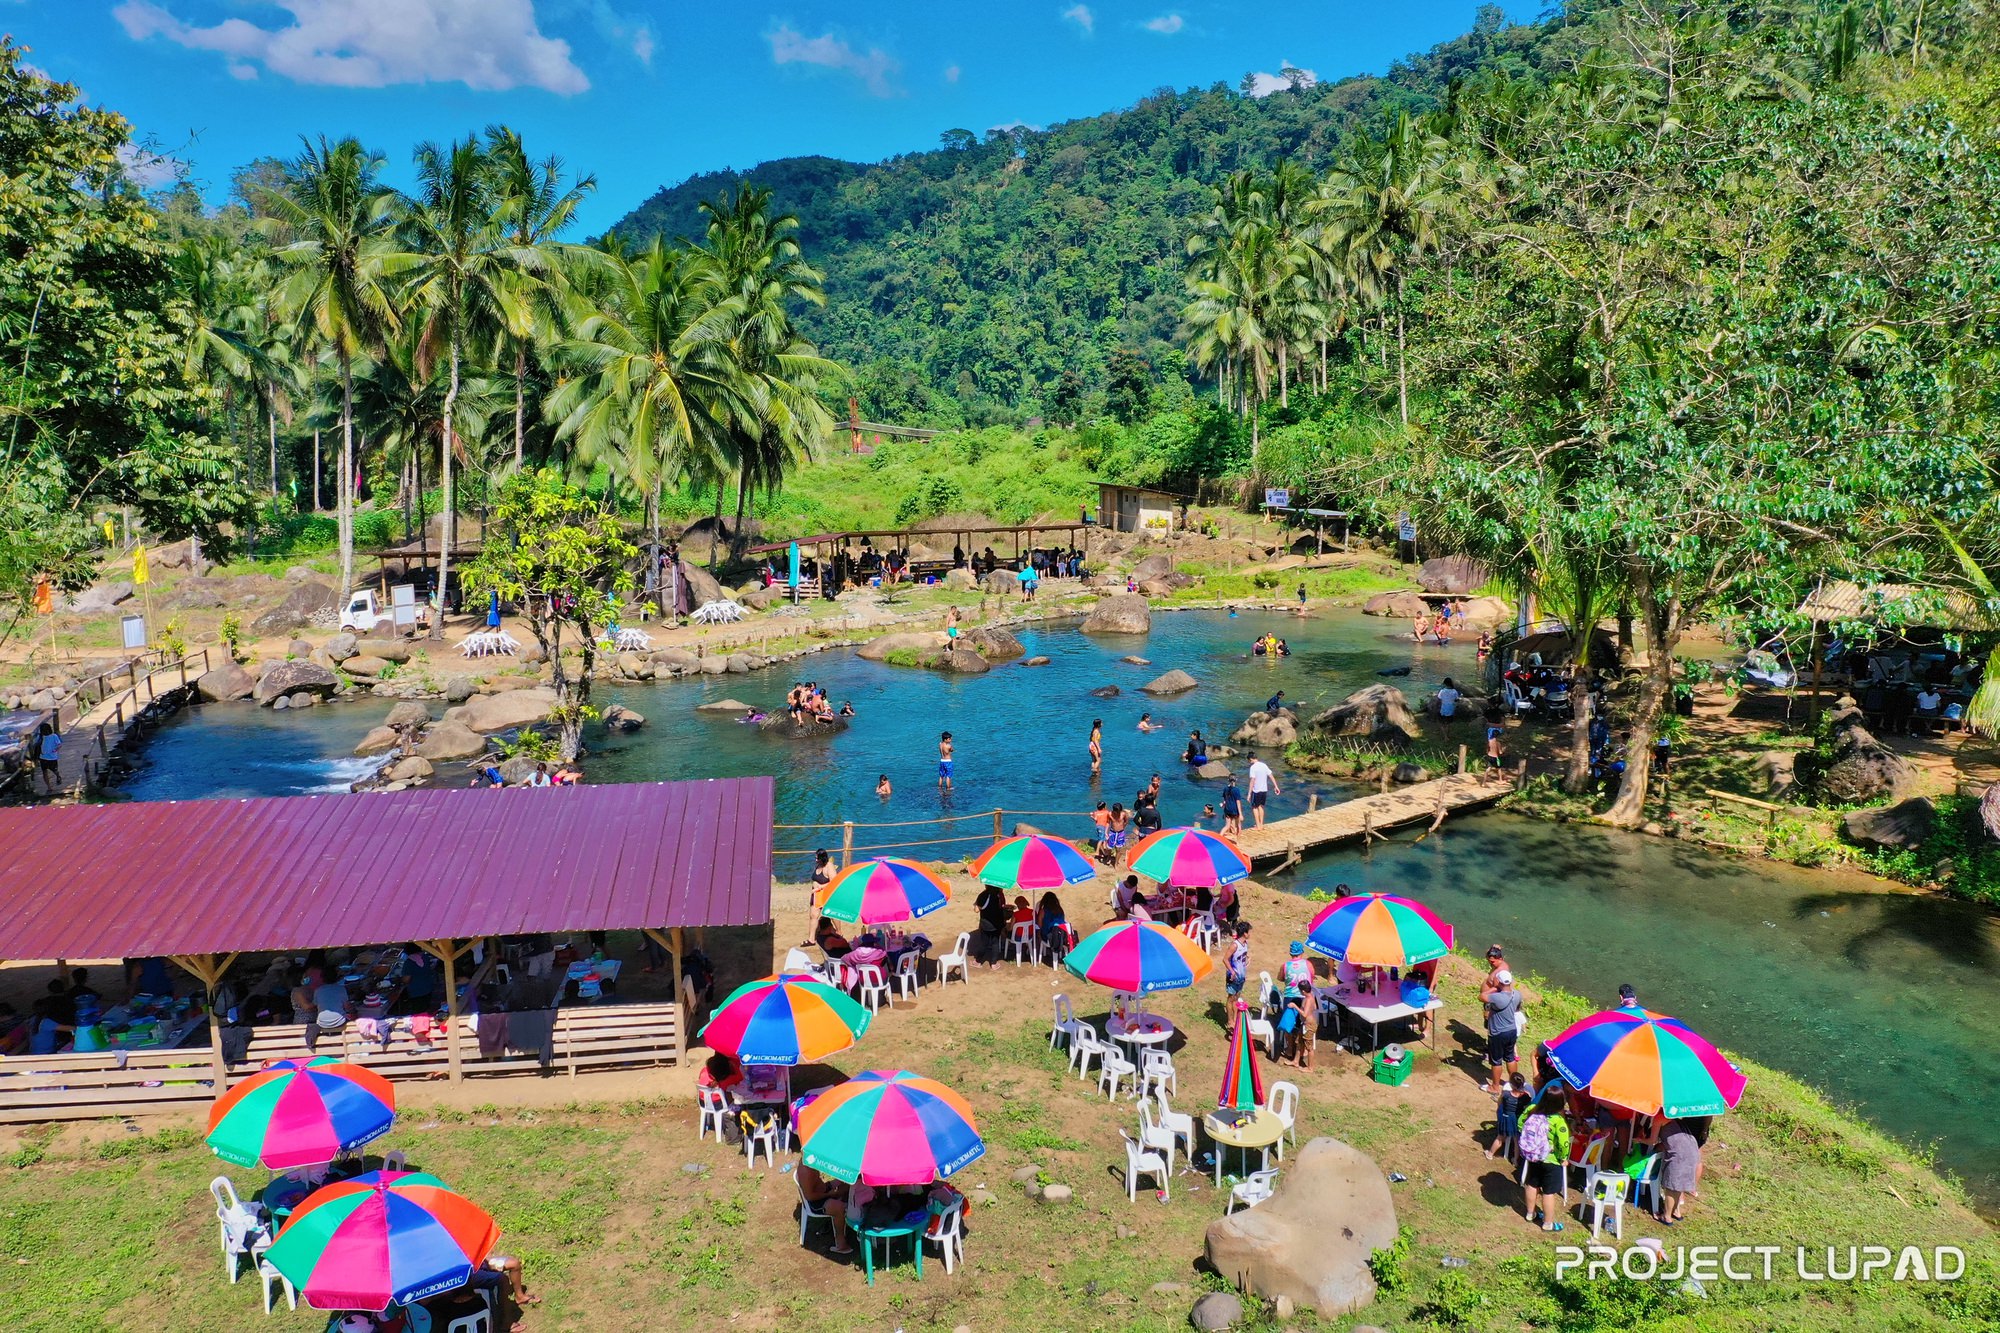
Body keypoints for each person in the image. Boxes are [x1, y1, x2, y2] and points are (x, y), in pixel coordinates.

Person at [1519, 1087, 1572, 1231]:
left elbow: (1520, 1123)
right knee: (1548, 1192)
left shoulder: (1532, 1110)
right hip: (1551, 1161)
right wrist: (1563, 1158)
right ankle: (1548, 1223)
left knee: (1532, 1184)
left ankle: (1530, 1213)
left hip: (1534, 1157)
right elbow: (1563, 1143)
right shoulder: (1558, 1121)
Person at [1657, 1116, 1707, 1225]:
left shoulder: (1658, 1119)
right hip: (1693, 1153)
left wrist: (1640, 1139)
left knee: (1671, 1187)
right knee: (1679, 1186)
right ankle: (1676, 1212)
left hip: (1680, 1157)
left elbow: (1652, 1141)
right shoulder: (1678, 1122)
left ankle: (1666, 1217)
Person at [797, 1161, 854, 1253]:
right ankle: (841, 1244)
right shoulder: (805, 1171)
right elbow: (810, 1196)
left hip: (824, 1189)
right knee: (839, 1208)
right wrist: (829, 1194)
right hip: (817, 1202)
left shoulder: (811, 1161)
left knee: (849, 1183)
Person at [1484, 969, 1524, 1095]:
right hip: (1512, 1030)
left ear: (1499, 981)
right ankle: (1515, 1084)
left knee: (1496, 1060)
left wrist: (1494, 988)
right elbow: (1517, 1008)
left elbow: (1481, 996)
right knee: (1510, 1057)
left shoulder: (1497, 997)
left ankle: (1495, 1087)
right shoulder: (1517, 994)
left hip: (1497, 1033)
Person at [1487, 1072, 1531, 1160]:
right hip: (1517, 1119)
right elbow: (1528, 1106)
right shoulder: (1526, 1097)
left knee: (1500, 1138)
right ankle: (1515, 1160)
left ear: (1511, 1084)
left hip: (1506, 1118)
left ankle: (1490, 1154)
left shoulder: (1506, 1094)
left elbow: (1499, 1103)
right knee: (1516, 1141)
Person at [974, 883, 1010, 967]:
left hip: (986, 923)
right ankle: (994, 963)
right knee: (995, 943)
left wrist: (976, 903)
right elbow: (1003, 906)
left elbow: (976, 910)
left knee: (984, 943)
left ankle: (978, 961)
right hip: (998, 922)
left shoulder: (983, 895)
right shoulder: (1000, 894)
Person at [1246, 756, 1279, 828]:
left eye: (1249, 760)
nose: (1249, 762)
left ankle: (1258, 826)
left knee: (1254, 807)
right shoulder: (1264, 765)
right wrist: (1276, 786)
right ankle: (1261, 824)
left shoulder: (1253, 767)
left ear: (1251, 759)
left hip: (1256, 790)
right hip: (1264, 790)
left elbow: (1252, 781)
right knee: (1261, 806)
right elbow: (1271, 775)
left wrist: (1249, 793)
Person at [1036, 891, 1070, 957]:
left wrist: (1038, 935)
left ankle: (1042, 951)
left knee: (1038, 932)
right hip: (1062, 935)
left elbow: (1039, 926)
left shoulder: (1043, 911)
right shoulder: (1060, 909)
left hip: (1049, 936)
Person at [1224, 923, 1251, 997]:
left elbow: (1240, 955)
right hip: (1234, 976)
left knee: (1236, 997)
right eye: (1249, 932)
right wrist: (1232, 972)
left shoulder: (1245, 944)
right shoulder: (1234, 945)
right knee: (1231, 998)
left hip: (1241, 976)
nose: (1250, 934)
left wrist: (1247, 958)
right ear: (1245, 934)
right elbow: (1225, 959)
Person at [36, 726, 60, 793]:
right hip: (43, 757)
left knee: (54, 770)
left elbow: (59, 744)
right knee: (44, 772)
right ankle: (49, 787)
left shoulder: (54, 736)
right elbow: (37, 746)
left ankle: (58, 776)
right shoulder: (40, 737)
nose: (44, 732)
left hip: (52, 757)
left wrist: (55, 749)